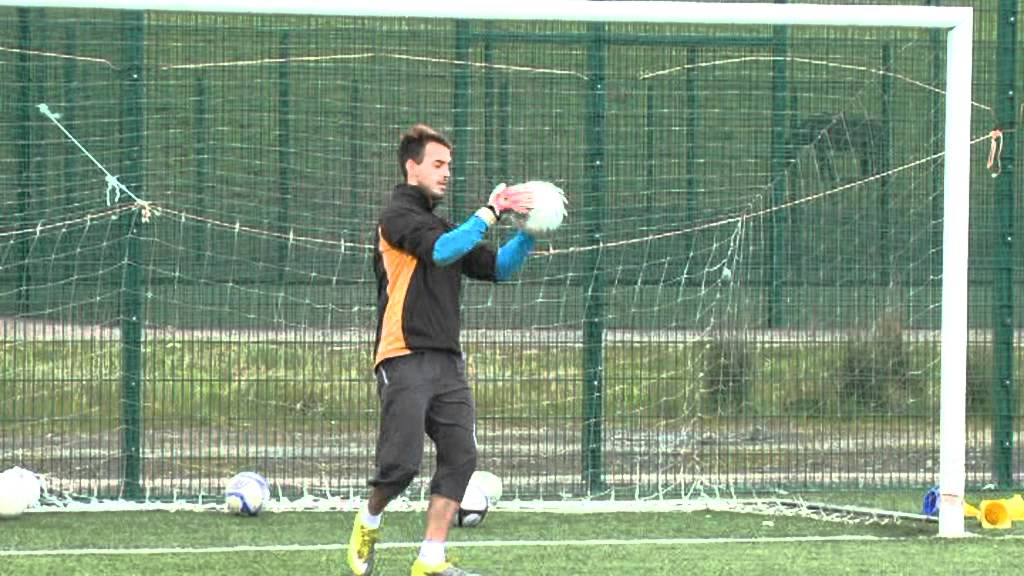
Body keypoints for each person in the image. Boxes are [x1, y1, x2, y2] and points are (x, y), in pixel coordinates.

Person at [347, 123, 535, 576]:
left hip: (447, 360)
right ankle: (368, 519)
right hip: (403, 353)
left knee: (460, 456)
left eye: (449, 165)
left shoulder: (445, 224)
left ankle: (430, 559)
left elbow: (498, 268)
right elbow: (441, 251)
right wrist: (489, 211)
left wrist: (528, 232)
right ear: (412, 167)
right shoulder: (397, 216)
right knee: (400, 465)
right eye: (438, 164)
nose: (447, 172)